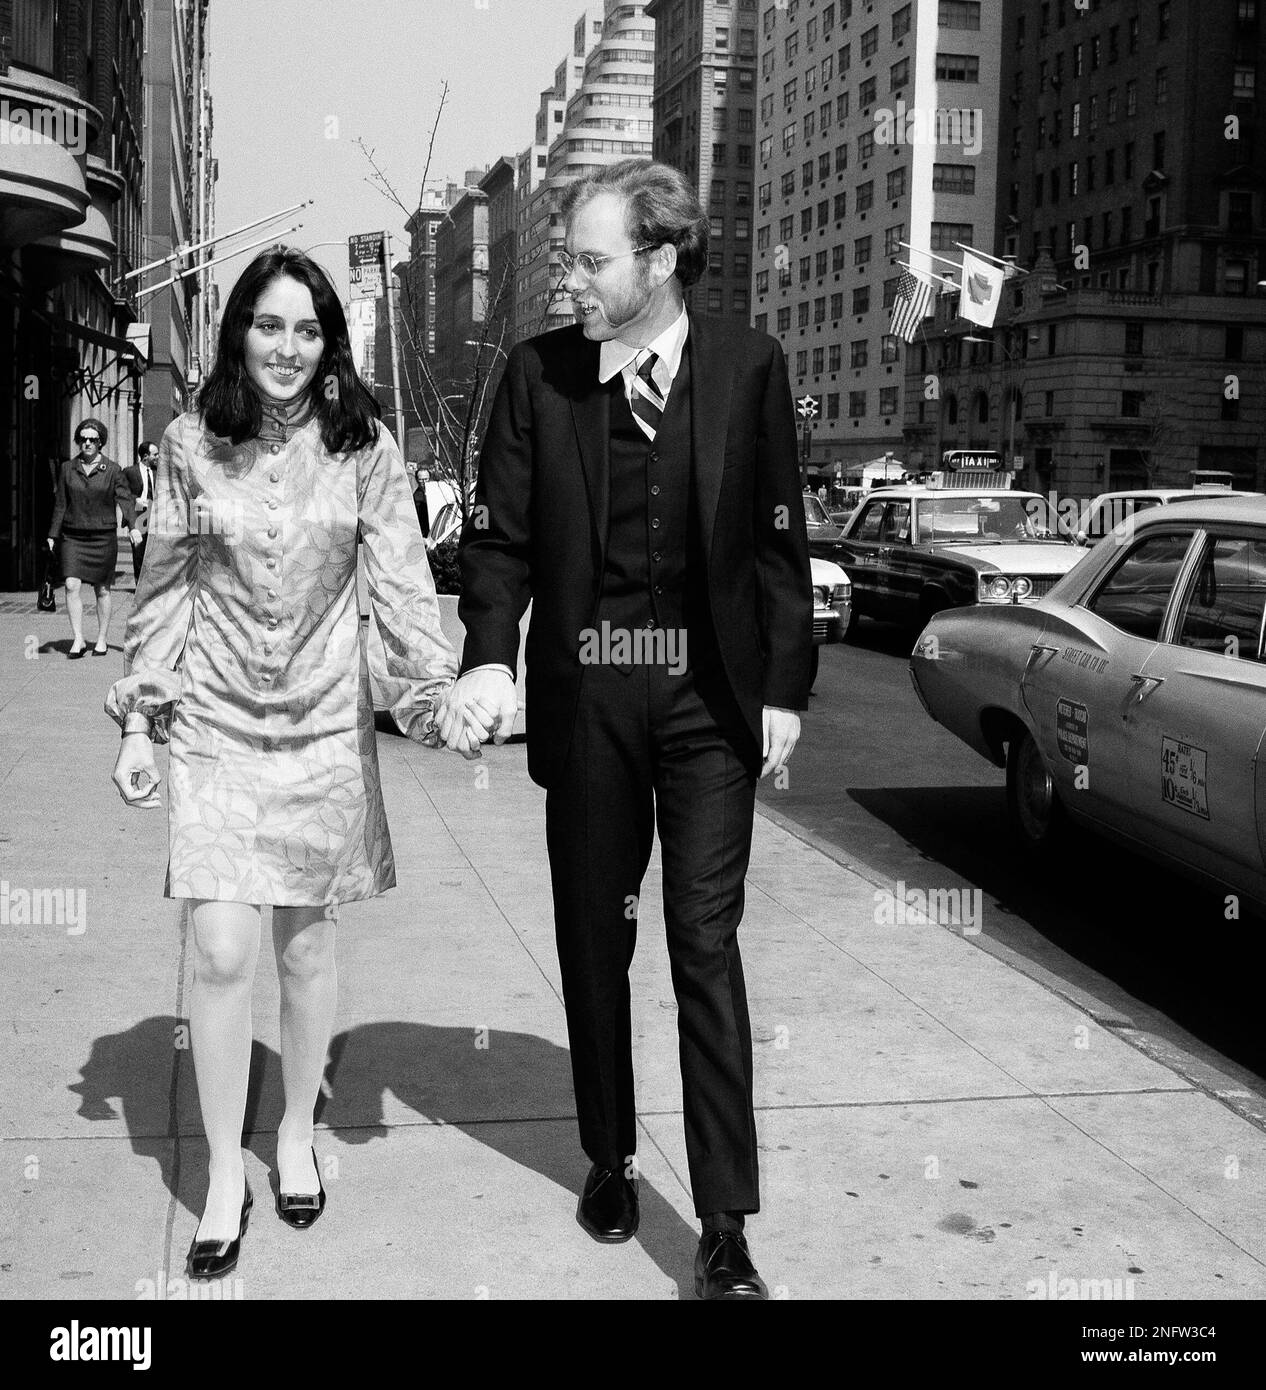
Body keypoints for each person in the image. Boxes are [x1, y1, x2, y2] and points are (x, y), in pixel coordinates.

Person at [439, 159, 812, 1300]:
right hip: (592, 692)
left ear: (661, 260)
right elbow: (497, 538)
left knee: (705, 942)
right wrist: (491, 657)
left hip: (707, 704)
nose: (573, 281)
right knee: (599, 939)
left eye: (592, 261)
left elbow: (775, 543)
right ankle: (609, 1154)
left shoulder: (749, 368)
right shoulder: (537, 376)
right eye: (569, 259)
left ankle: (727, 1223)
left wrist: (783, 689)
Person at [107, 247, 458, 1281]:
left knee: (305, 947)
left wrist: (434, 697)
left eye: (308, 330)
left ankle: (296, 1128)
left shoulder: (367, 449)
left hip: (320, 727)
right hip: (215, 722)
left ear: (329, 343)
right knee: (219, 949)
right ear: (237, 330)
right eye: (269, 325)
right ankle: (225, 1172)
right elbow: (164, 587)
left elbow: (399, 582)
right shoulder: (186, 446)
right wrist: (139, 718)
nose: (288, 349)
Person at [47, 418, 142, 657]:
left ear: (101, 442)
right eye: (83, 439)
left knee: (102, 589)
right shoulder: (68, 468)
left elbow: (125, 499)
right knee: (71, 585)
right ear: (79, 441)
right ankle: (78, 639)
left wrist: (133, 526)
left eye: (93, 439)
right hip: (73, 535)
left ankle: (101, 639)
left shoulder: (112, 470)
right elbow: (60, 504)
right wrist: (52, 535)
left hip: (102, 537)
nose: (87, 443)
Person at [123, 439, 158, 584]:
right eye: (155, 455)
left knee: (153, 550)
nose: (158, 457)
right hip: (138, 513)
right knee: (138, 550)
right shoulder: (130, 472)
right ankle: (139, 584)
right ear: (145, 456)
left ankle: (150, 582)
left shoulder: (158, 473)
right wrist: (136, 499)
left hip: (154, 513)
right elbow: (122, 493)